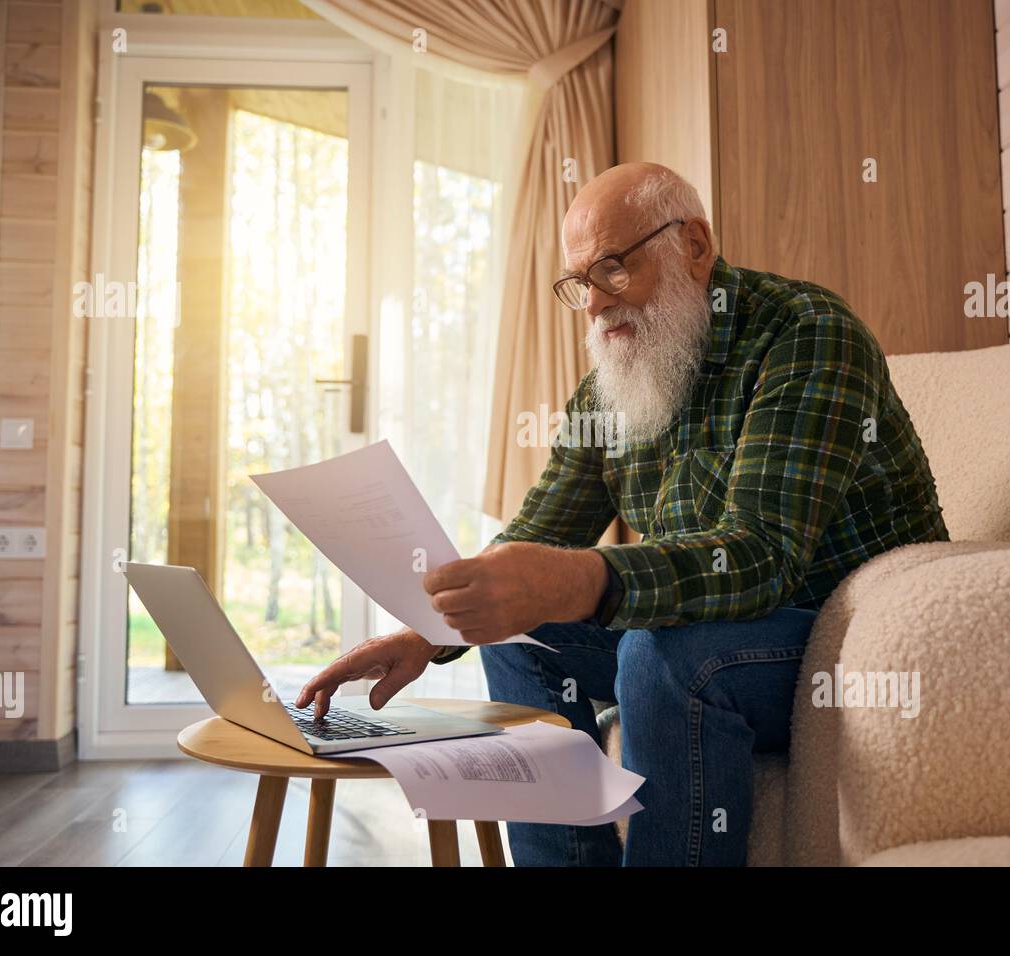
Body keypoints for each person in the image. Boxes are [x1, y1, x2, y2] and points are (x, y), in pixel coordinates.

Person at [296, 162, 949, 866]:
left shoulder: (807, 334)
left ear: (693, 245)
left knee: (662, 652)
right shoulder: (608, 389)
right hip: (716, 630)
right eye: (580, 282)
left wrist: (582, 581)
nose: (594, 304)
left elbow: (761, 554)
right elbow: (537, 535)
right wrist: (426, 632)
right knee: (519, 634)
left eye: (612, 268)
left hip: (839, 635)